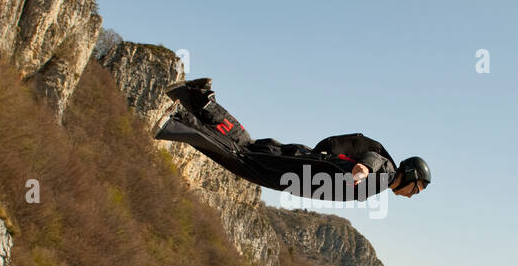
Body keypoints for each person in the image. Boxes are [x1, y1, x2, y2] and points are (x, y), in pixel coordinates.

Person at [153, 78, 430, 202]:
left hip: (299, 169)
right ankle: (177, 121)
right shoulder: (386, 173)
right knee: (241, 159)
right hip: (299, 170)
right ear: (410, 176)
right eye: (415, 190)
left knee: (247, 149)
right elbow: (376, 161)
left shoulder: (382, 183)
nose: (411, 196)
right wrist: (365, 168)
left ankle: (201, 100)